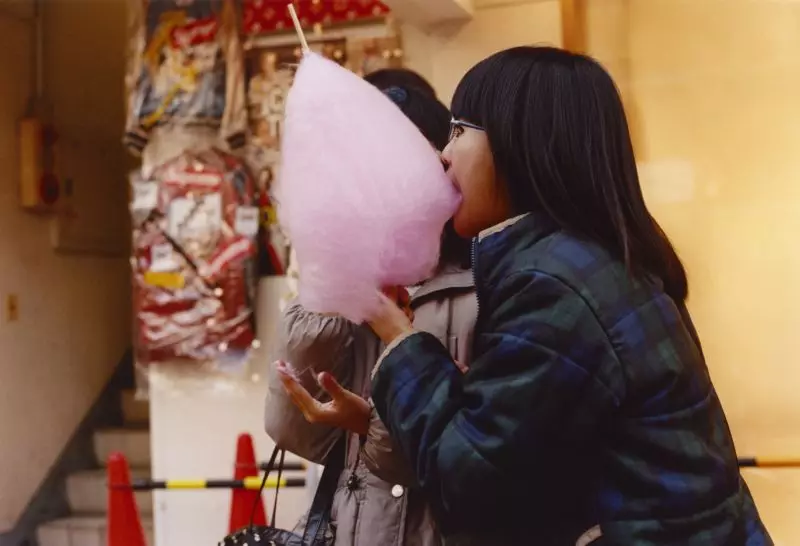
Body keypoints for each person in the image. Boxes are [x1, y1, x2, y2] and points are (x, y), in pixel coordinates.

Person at [366, 46, 772, 546]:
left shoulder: (554, 285)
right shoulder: (590, 265)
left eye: (459, 131)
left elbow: (472, 482)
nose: (444, 154)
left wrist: (398, 337)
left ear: (521, 143)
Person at [264, 81, 477, 546]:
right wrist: (336, 291)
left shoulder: (470, 295)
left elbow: (454, 457)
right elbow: (295, 432)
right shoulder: (350, 301)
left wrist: (373, 420)